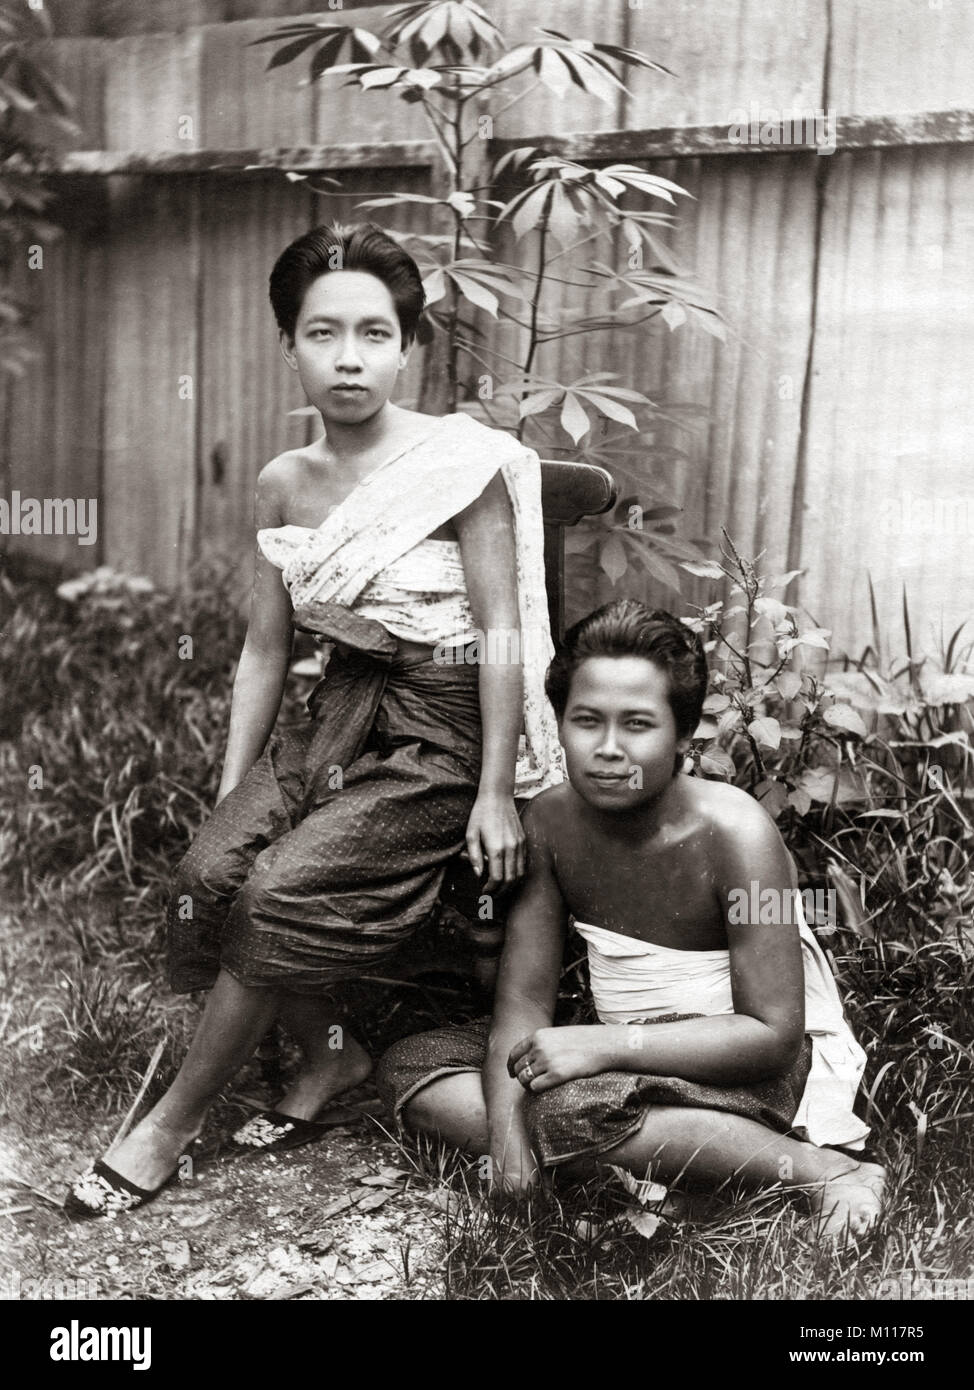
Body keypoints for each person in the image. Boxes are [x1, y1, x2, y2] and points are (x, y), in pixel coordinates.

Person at [66, 222, 563, 1218]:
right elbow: (263, 649)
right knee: (212, 872)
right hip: (340, 708)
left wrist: (496, 792)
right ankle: (330, 1057)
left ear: (407, 345)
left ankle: (165, 1126)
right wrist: (230, 789)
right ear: (288, 343)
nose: (348, 358)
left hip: (449, 722)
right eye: (322, 332)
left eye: (374, 334)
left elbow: (503, 630)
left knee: (278, 889)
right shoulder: (284, 481)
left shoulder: (457, 463)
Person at [376, 601, 886, 1240]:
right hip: (632, 1052)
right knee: (414, 1066)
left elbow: (772, 1034)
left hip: (749, 1061)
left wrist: (599, 1046)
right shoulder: (551, 824)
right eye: (587, 721)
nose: (609, 750)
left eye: (638, 724)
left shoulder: (739, 834)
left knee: (570, 1108)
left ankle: (824, 1171)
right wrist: (509, 1156)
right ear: (558, 725)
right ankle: (647, 1157)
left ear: (681, 735)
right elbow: (524, 1006)